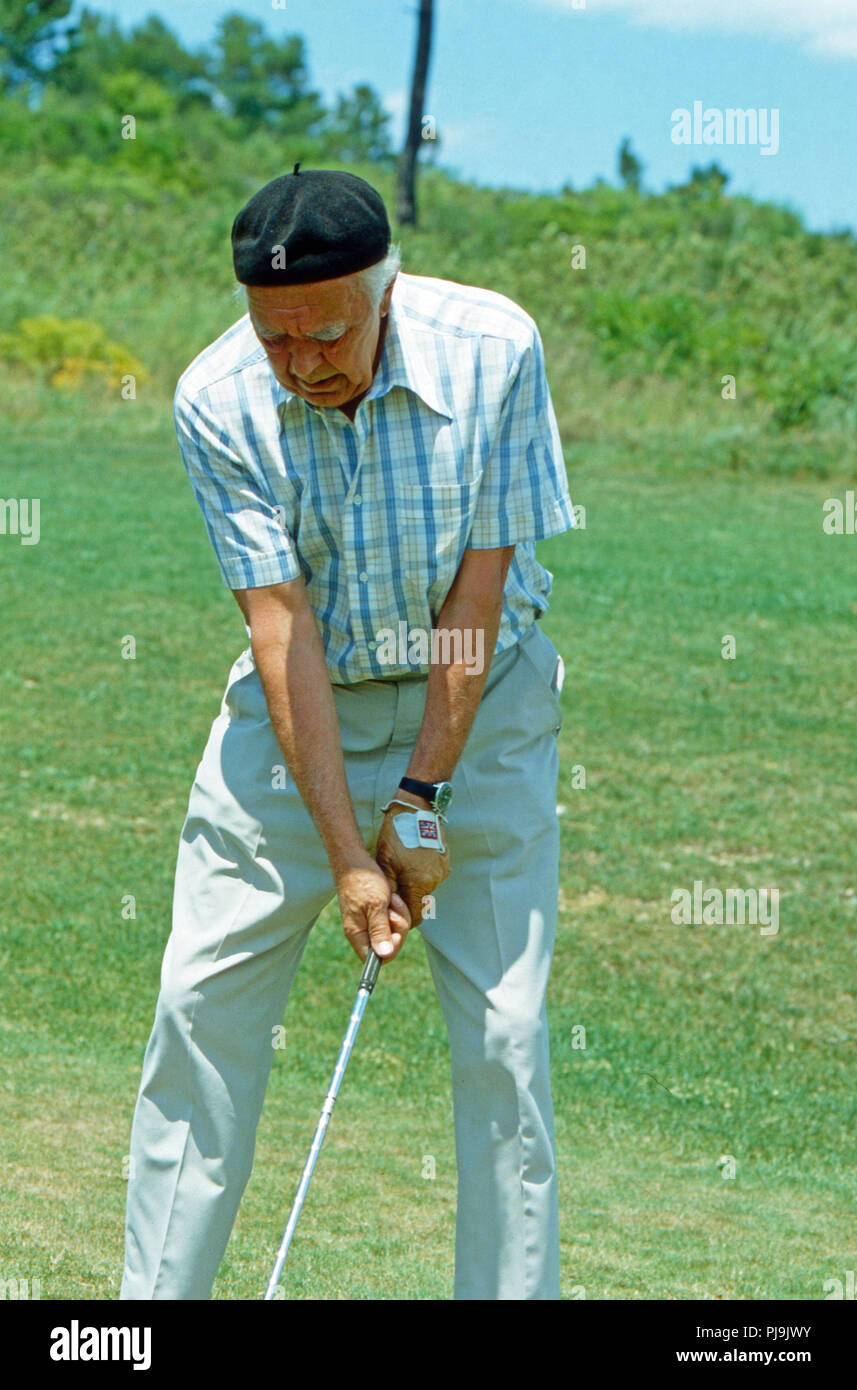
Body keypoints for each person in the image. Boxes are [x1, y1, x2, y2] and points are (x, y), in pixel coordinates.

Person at [119, 167, 576, 1301]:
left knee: (504, 1034)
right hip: (299, 714)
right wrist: (346, 853)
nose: (302, 363)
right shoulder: (215, 398)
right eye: (275, 339)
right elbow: (283, 633)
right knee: (196, 1001)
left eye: (326, 333)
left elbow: (476, 606)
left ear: (386, 289)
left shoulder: (495, 349)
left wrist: (420, 797)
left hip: (477, 697)